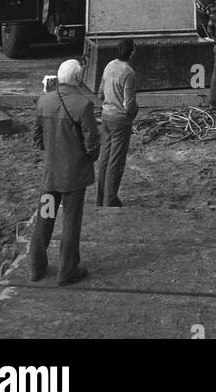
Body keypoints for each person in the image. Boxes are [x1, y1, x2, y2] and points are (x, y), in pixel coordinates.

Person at [29, 58, 99, 287]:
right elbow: (92, 144)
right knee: (71, 222)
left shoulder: (43, 102)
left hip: (51, 176)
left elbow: (37, 139)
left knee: (45, 219)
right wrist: (87, 157)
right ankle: (67, 271)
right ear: (78, 78)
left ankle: (36, 267)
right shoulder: (83, 104)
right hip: (74, 178)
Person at [96, 39, 139, 207]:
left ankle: (101, 199)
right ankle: (110, 200)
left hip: (105, 117)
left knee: (105, 159)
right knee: (116, 161)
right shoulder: (129, 73)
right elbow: (129, 105)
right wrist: (135, 111)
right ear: (131, 52)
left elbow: (100, 93)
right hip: (120, 122)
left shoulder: (109, 66)